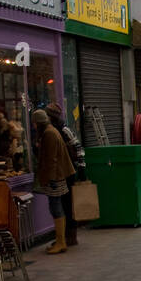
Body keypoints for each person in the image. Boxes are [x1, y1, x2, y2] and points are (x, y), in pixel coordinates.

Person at [33, 109, 75, 254]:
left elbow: (51, 159)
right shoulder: (50, 131)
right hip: (57, 175)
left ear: (38, 123)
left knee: (56, 207)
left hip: (55, 176)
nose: (33, 126)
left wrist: (49, 179)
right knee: (56, 206)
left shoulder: (49, 133)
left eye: (34, 123)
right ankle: (60, 240)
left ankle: (61, 241)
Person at [46, 103, 86, 246]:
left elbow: (78, 147)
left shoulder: (63, 129)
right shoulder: (50, 130)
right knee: (62, 204)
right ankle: (64, 236)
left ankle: (70, 236)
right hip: (60, 172)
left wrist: (81, 168)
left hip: (68, 171)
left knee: (67, 204)